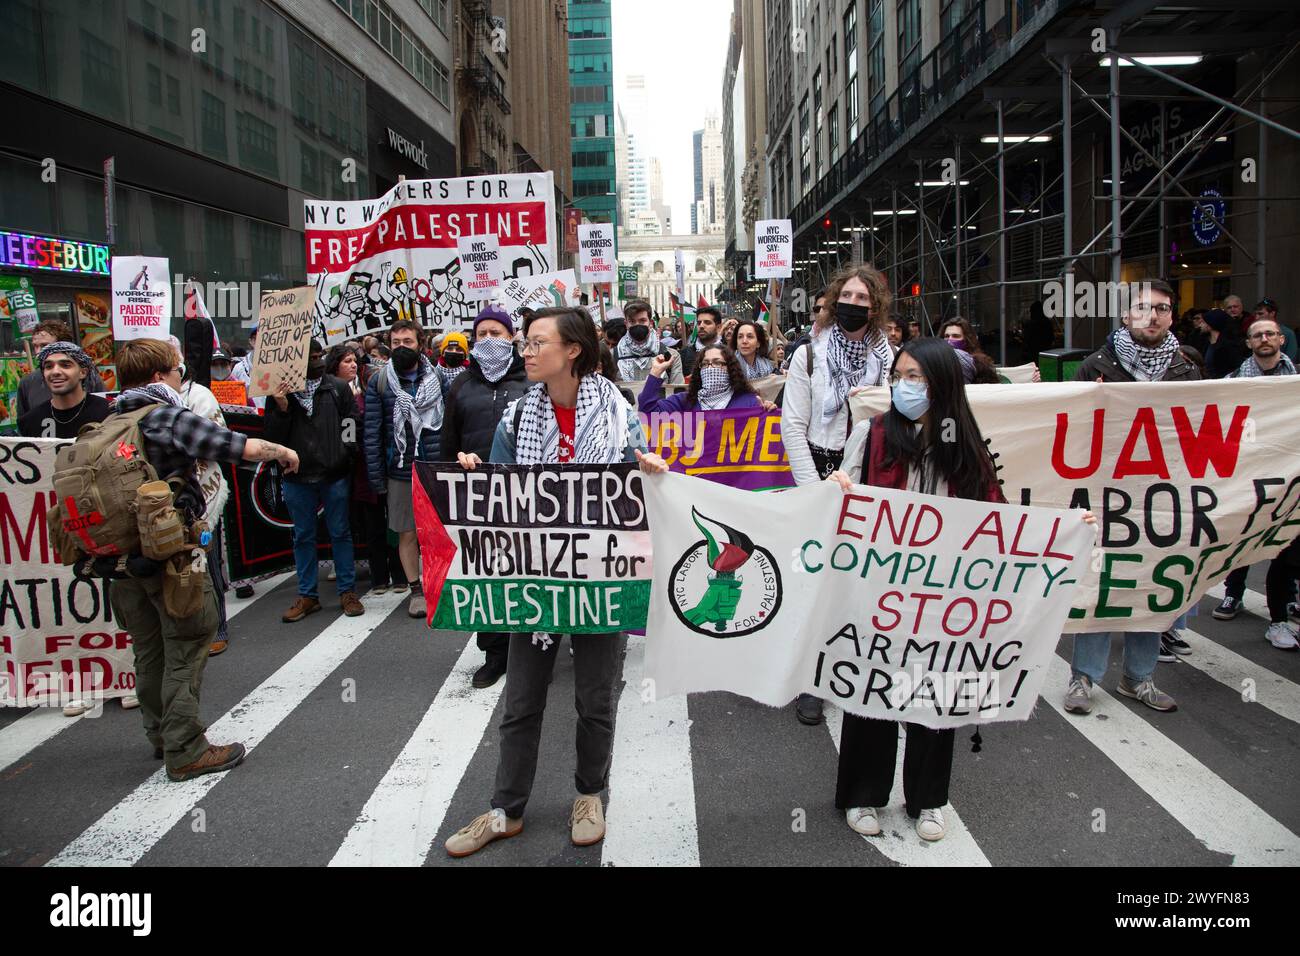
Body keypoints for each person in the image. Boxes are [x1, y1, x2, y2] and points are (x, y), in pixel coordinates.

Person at [444, 306, 648, 858]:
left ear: (573, 350)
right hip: (534, 579)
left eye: (536, 343)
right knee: (522, 698)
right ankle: (506, 809)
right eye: (525, 343)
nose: (525, 352)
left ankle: (588, 794)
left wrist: (649, 472)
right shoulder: (516, 417)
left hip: (602, 579)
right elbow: (502, 497)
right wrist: (478, 478)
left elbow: (637, 492)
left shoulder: (618, 413)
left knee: (594, 697)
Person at [79, 338, 299, 780]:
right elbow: (239, 448)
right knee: (186, 643)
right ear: (162, 376)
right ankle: (186, 750)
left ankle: (160, 734)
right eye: (177, 370)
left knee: (147, 647)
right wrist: (285, 452)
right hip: (172, 554)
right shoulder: (164, 415)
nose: (181, 377)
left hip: (121, 560)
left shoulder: (107, 422)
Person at [827, 338, 1011, 842]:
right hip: (879, 590)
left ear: (944, 386)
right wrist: (839, 491)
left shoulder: (968, 444)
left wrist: (1066, 531)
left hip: (943, 594)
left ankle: (928, 799)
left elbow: (997, 517)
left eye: (918, 378)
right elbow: (842, 500)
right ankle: (864, 793)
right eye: (901, 376)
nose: (906, 387)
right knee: (873, 688)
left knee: (935, 692)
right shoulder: (872, 434)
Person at [1065, 278, 1198, 716]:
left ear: (1171, 317)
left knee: (1151, 585)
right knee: (1101, 584)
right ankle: (1083, 677)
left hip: (1162, 498)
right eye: (1143, 308)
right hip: (1107, 497)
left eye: (1162, 308)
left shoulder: (1186, 368)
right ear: (1126, 315)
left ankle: (1138, 678)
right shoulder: (1095, 365)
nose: (1152, 316)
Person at [780, 263, 894, 727]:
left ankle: (853, 669)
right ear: (833, 300)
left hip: (866, 469)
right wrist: (815, 490)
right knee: (816, 576)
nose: (854, 304)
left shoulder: (889, 358)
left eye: (864, 299)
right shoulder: (809, 355)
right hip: (818, 469)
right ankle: (810, 678)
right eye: (847, 295)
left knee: (860, 575)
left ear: (876, 307)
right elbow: (792, 426)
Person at [440, 305, 531, 689]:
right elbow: (447, 440)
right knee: (488, 570)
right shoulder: (461, 385)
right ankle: (495, 653)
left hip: (526, 493)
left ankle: (531, 645)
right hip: (478, 494)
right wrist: (453, 470)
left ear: (512, 336)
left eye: (497, 332)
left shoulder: (530, 381)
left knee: (527, 567)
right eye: (482, 335)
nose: (489, 340)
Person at [1214, 315, 1299, 649]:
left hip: (1288, 479)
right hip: (1249, 476)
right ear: (1248, 343)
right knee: (1243, 538)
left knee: (1286, 544)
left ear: (1281, 340)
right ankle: (1233, 594)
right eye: (1257, 335)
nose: (1264, 339)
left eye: (1270, 334)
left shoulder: (1295, 380)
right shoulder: (1233, 381)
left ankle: (1282, 611)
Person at [265, 341, 365, 621]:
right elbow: (273, 438)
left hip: (334, 475)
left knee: (340, 533)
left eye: (319, 356)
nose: (316, 361)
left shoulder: (337, 387)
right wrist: (282, 407)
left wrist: (345, 455)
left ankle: (347, 591)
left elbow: (351, 424)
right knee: (303, 536)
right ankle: (308, 595)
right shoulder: (278, 394)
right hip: (297, 477)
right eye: (310, 357)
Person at [364, 319, 443, 619]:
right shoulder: (379, 382)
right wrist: (376, 476)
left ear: (420, 343)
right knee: (407, 533)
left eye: (407, 342)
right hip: (399, 469)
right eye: (396, 343)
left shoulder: (438, 378)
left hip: (433, 466)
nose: (401, 348)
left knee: (437, 533)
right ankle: (416, 589)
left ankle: (437, 584)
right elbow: (372, 433)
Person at [330, 344, 408, 600]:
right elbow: (348, 435)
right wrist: (354, 449)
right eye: (347, 362)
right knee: (372, 526)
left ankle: (399, 574)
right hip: (361, 471)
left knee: (394, 525)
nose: (354, 366)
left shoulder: (379, 394)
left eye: (355, 361)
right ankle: (378, 576)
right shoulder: (344, 399)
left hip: (385, 465)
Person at [18, 342, 111, 439]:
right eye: (49, 366)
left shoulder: (109, 413)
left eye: (65, 365)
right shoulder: (30, 421)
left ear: (83, 372)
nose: (55, 372)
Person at [639, 343, 764, 413]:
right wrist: (655, 372)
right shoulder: (685, 401)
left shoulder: (748, 402)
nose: (710, 368)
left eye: (717, 363)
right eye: (705, 364)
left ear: (730, 369)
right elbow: (647, 411)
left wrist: (767, 411)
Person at [17, 320, 106, 416]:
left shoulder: (89, 377)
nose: (38, 352)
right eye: (35, 346)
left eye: (44, 345)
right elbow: (24, 423)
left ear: (63, 345)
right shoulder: (27, 382)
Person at [615, 300, 683, 384]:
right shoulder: (614, 355)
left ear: (650, 323)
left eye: (642, 320)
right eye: (632, 321)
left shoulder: (671, 356)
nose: (637, 324)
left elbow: (677, 391)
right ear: (626, 324)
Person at [939, 318, 999, 384]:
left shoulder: (979, 363)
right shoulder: (939, 360)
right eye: (946, 336)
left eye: (956, 336)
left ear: (967, 339)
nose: (949, 340)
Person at [1200, 308, 1247, 379]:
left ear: (1210, 325)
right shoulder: (1207, 343)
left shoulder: (1228, 346)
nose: (1200, 325)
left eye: (1203, 322)